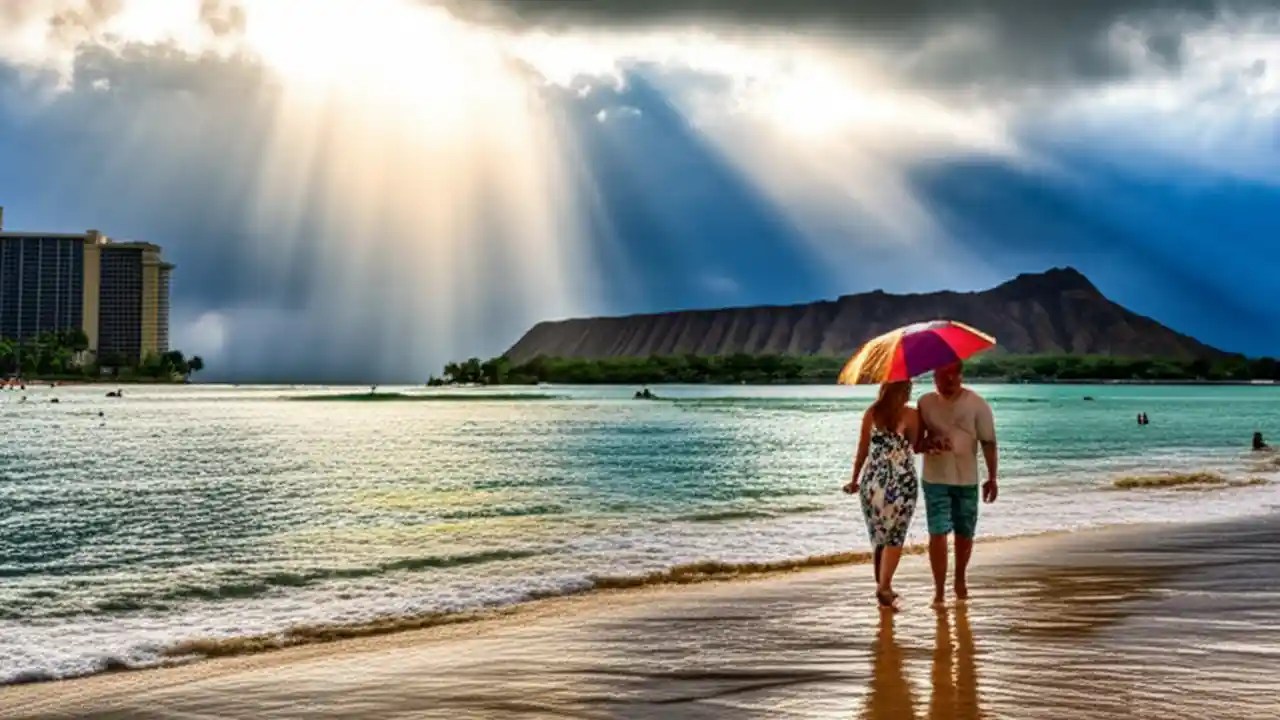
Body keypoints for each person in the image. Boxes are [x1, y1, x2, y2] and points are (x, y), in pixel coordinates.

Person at [918, 362, 998, 606]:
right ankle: (939, 590)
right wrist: (931, 443)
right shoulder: (925, 403)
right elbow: (916, 442)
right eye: (944, 375)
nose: (950, 380)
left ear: (961, 375)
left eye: (954, 374)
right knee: (938, 532)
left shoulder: (976, 403)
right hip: (935, 479)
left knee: (965, 533)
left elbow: (989, 442)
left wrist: (992, 477)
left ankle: (960, 578)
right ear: (934, 376)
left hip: (966, 479)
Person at [844, 380, 921, 609]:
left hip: (872, 484)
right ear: (904, 391)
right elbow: (916, 446)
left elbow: (862, 450)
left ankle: (882, 585)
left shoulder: (872, 413)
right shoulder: (911, 415)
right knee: (895, 535)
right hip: (901, 483)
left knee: (879, 537)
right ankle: (884, 587)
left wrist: (854, 480)